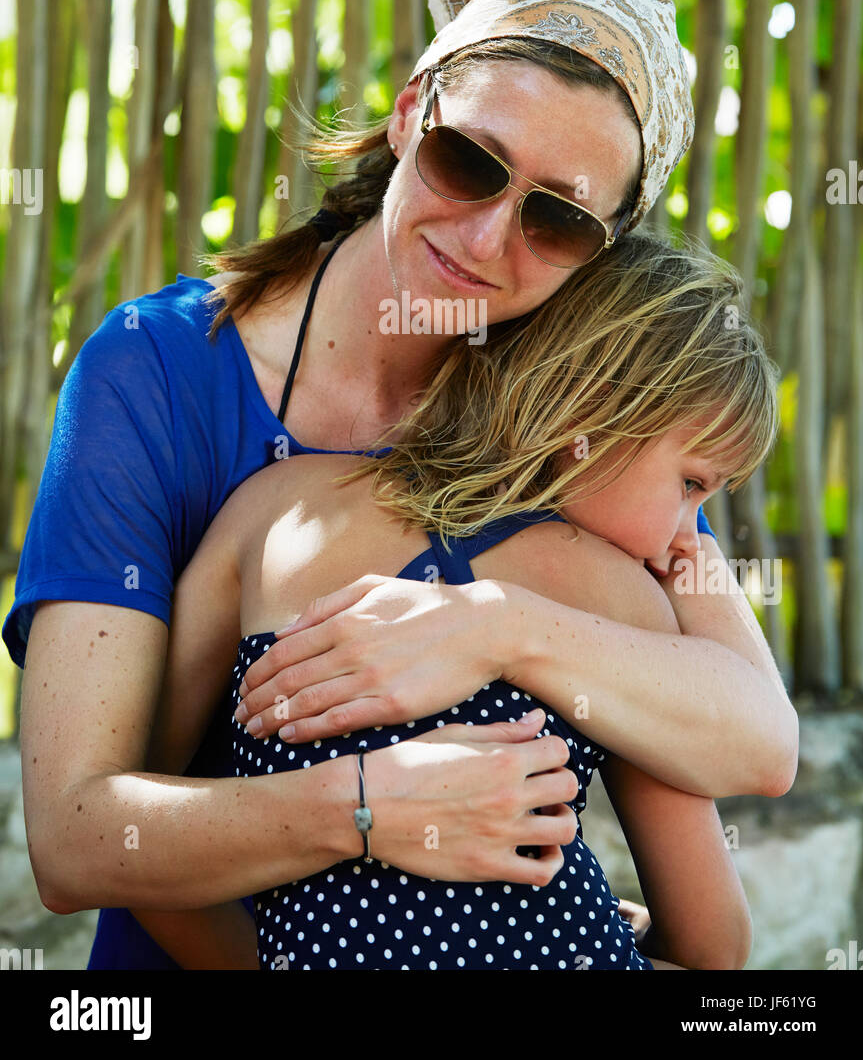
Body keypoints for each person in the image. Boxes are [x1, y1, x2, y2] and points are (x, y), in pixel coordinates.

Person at [10, 0, 797, 971]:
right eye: (469, 160)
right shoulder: (152, 374)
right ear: (407, 112)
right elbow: (75, 839)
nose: (482, 236)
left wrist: (489, 626)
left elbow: (757, 740)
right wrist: (370, 809)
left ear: (600, 253)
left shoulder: (569, 438)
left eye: (556, 218)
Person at [145, 231, 772, 970]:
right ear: (593, 422)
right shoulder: (621, 599)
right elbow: (713, 943)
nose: (685, 536)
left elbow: (141, 849)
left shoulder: (274, 513)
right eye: (691, 486)